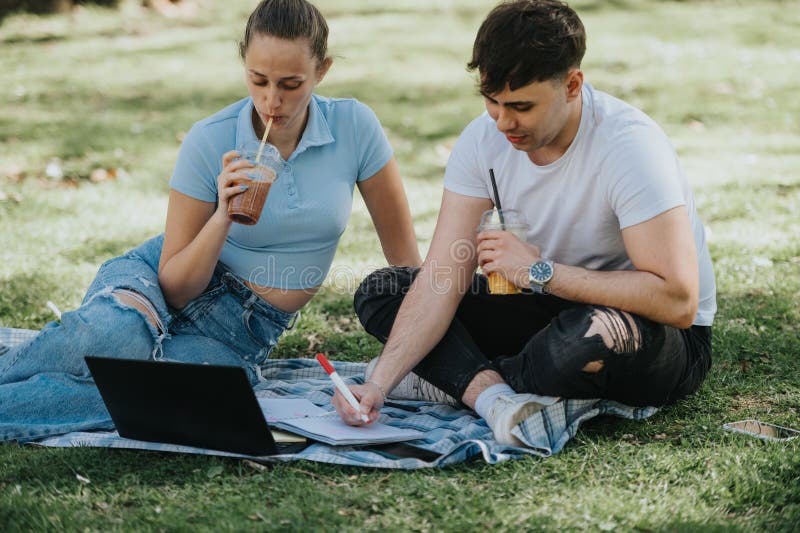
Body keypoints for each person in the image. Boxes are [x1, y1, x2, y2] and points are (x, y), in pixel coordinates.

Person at [0, 0, 421, 442]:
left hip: (242, 332)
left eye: (291, 84)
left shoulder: (354, 127)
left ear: (322, 71)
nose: (271, 100)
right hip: (158, 281)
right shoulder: (211, 138)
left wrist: (407, 363)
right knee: (118, 336)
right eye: (258, 80)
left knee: (159, 390)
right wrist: (222, 215)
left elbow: (406, 265)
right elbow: (176, 287)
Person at [332, 0, 716, 447]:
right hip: (543, 309)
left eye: (521, 106)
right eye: (492, 102)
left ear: (572, 85)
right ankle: (490, 394)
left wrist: (540, 272)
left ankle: (450, 377)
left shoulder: (629, 147)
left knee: (577, 345)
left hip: (653, 331)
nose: (503, 122)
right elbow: (441, 279)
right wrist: (379, 384)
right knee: (385, 290)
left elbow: (677, 300)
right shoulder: (483, 140)